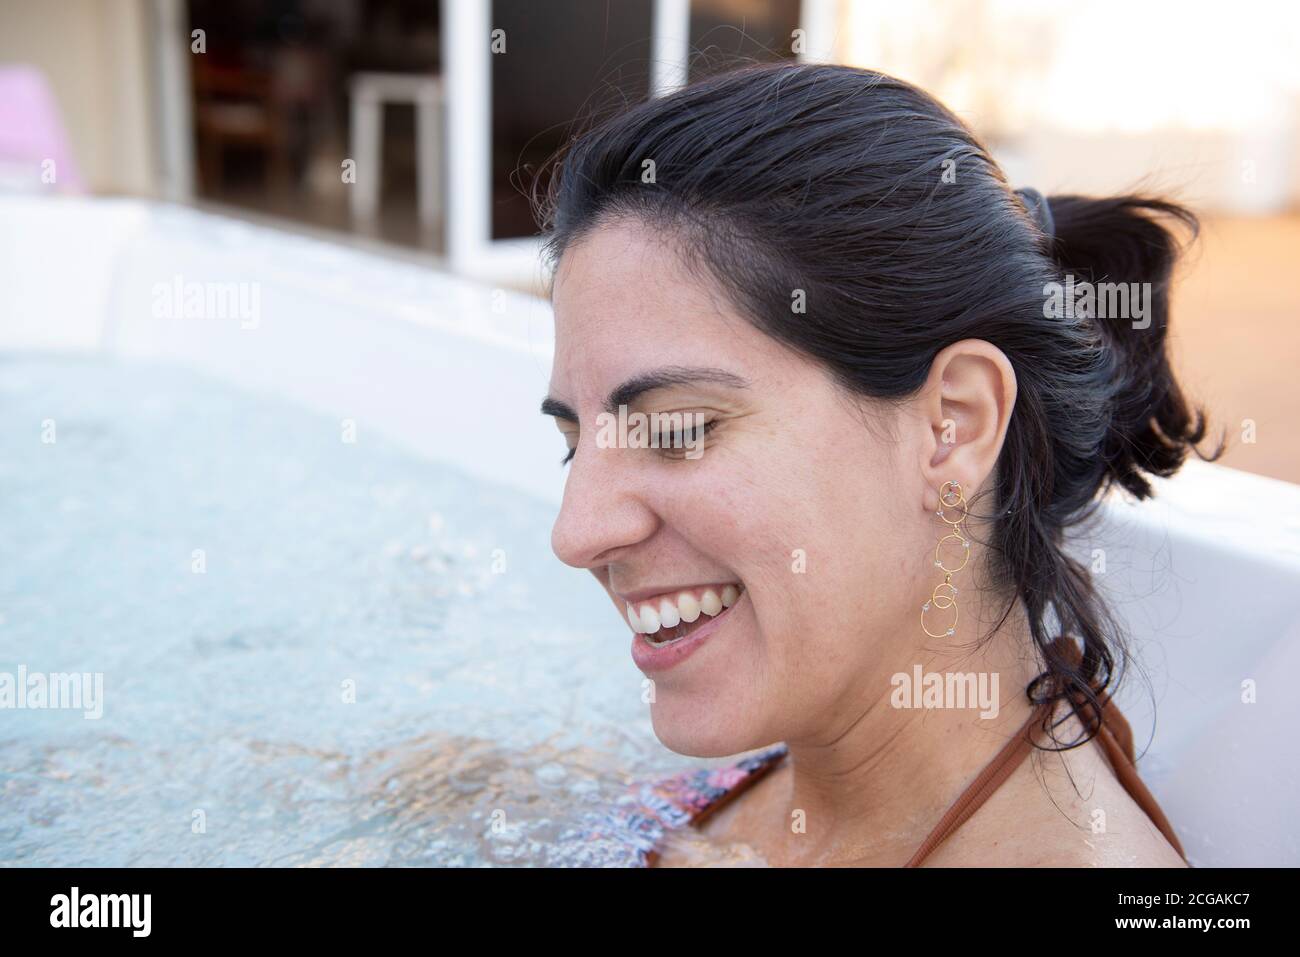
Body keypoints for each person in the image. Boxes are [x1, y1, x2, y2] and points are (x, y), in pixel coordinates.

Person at [535, 61, 1218, 867]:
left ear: (953, 426)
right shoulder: (762, 785)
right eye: (574, 443)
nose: (576, 533)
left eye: (678, 430)